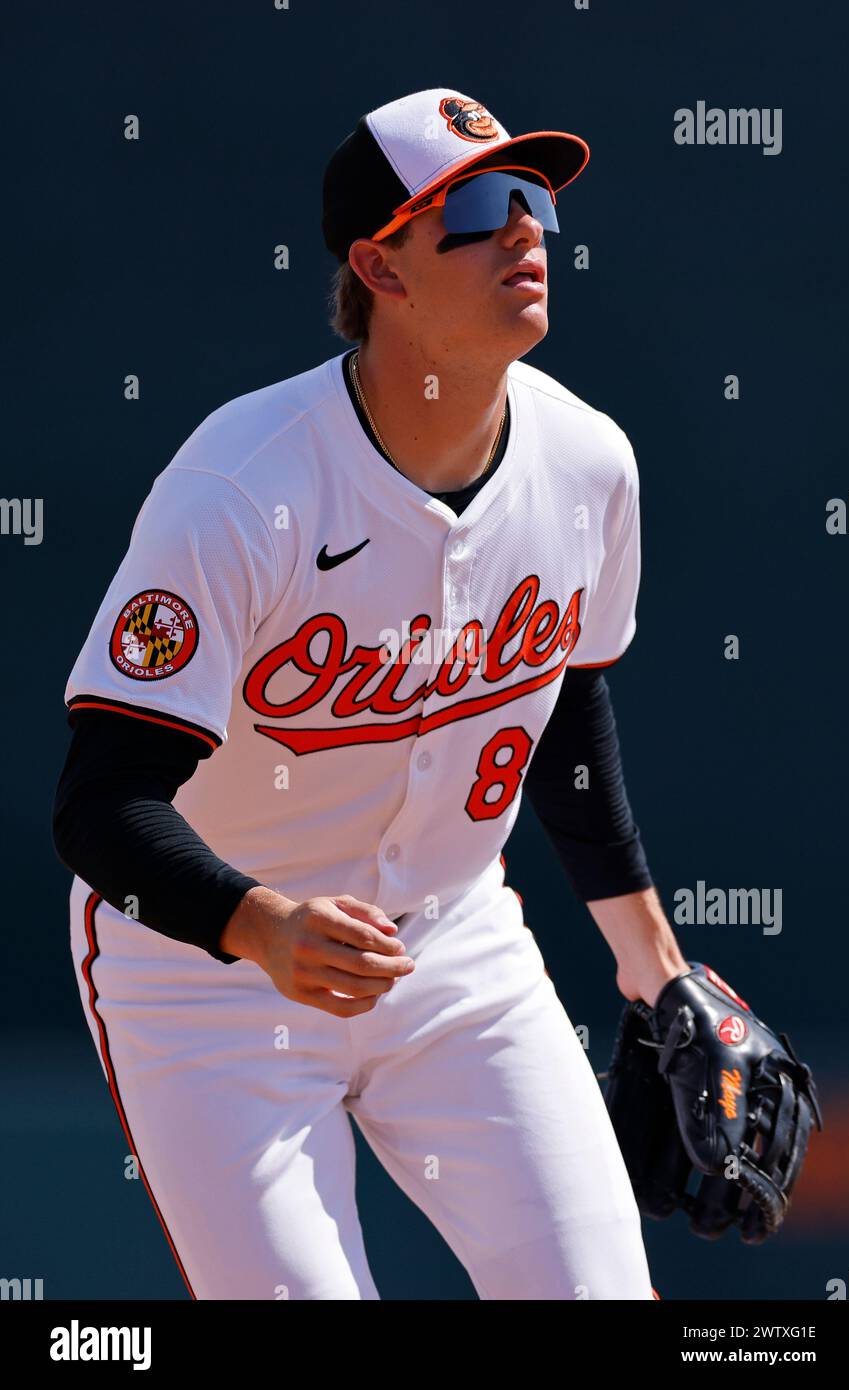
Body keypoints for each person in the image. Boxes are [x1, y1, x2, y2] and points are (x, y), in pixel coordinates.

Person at [53, 87, 687, 1300]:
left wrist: (651, 964)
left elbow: (556, 711)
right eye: (481, 208)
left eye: (537, 201)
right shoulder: (240, 491)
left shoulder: (585, 461)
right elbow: (96, 807)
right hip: (212, 982)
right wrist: (260, 926)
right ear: (378, 266)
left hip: (454, 953)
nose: (526, 234)